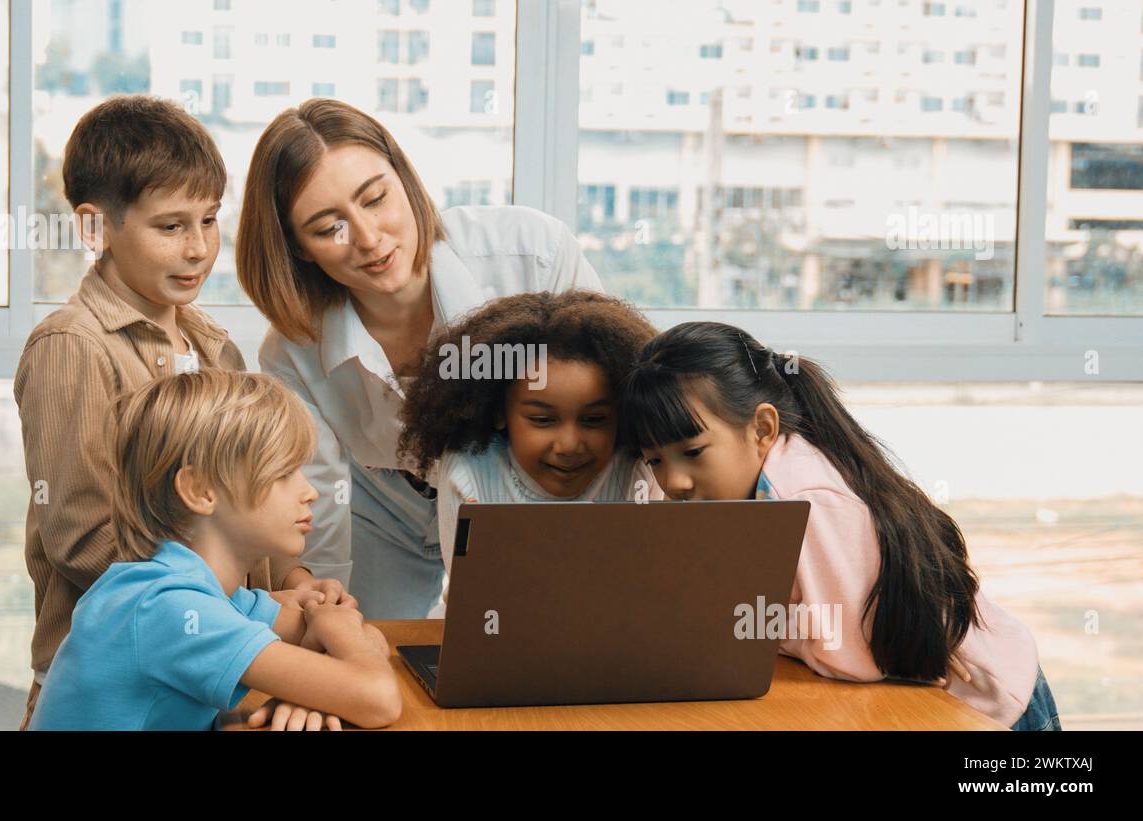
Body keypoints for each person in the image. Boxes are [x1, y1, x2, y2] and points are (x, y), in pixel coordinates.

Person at [14, 95, 348, 729]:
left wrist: (294, 584)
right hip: (115, 697)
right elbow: (84, 542)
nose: (198, 249)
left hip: (213, 675)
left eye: (209, 220)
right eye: (170, 227)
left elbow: (243, 499)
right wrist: (254, 617)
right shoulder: (72, 346)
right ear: (93, 228)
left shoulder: (212, 343)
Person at [236, 98, 603, 618]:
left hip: (518, 478)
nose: (368, 238)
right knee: (371, 645)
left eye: (375, 199)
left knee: (536, 632)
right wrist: (317, 596)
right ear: (298, 248)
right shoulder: (292, 351)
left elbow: (614, 409)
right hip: (380, 501)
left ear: (404, 180)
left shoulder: (533, 254)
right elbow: (318, 489)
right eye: (327, 228)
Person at [617, 321, 1060, 730]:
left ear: (763, 429)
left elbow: (851, 657)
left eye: (693, 452)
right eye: (655, 459)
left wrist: (753, 625)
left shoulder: (806, 500)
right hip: (924, 700)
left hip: (992, 704)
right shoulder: (739, 487)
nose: (672, 481)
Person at [28, 370, 400, 731]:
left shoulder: (217, 598)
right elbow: (378, 696)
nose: (310, 491)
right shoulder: (168, 608)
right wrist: (335, 656)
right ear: (201, 490)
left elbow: (370, 641)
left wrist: (316, 691)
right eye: (283, 473)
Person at [396, 290, 660, 616]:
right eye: (543, 420)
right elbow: (480, 596)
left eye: (594, 420)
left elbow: (644, 586)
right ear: (499, 413)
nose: (569, 445)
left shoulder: (637, 466)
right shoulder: (470, 470)